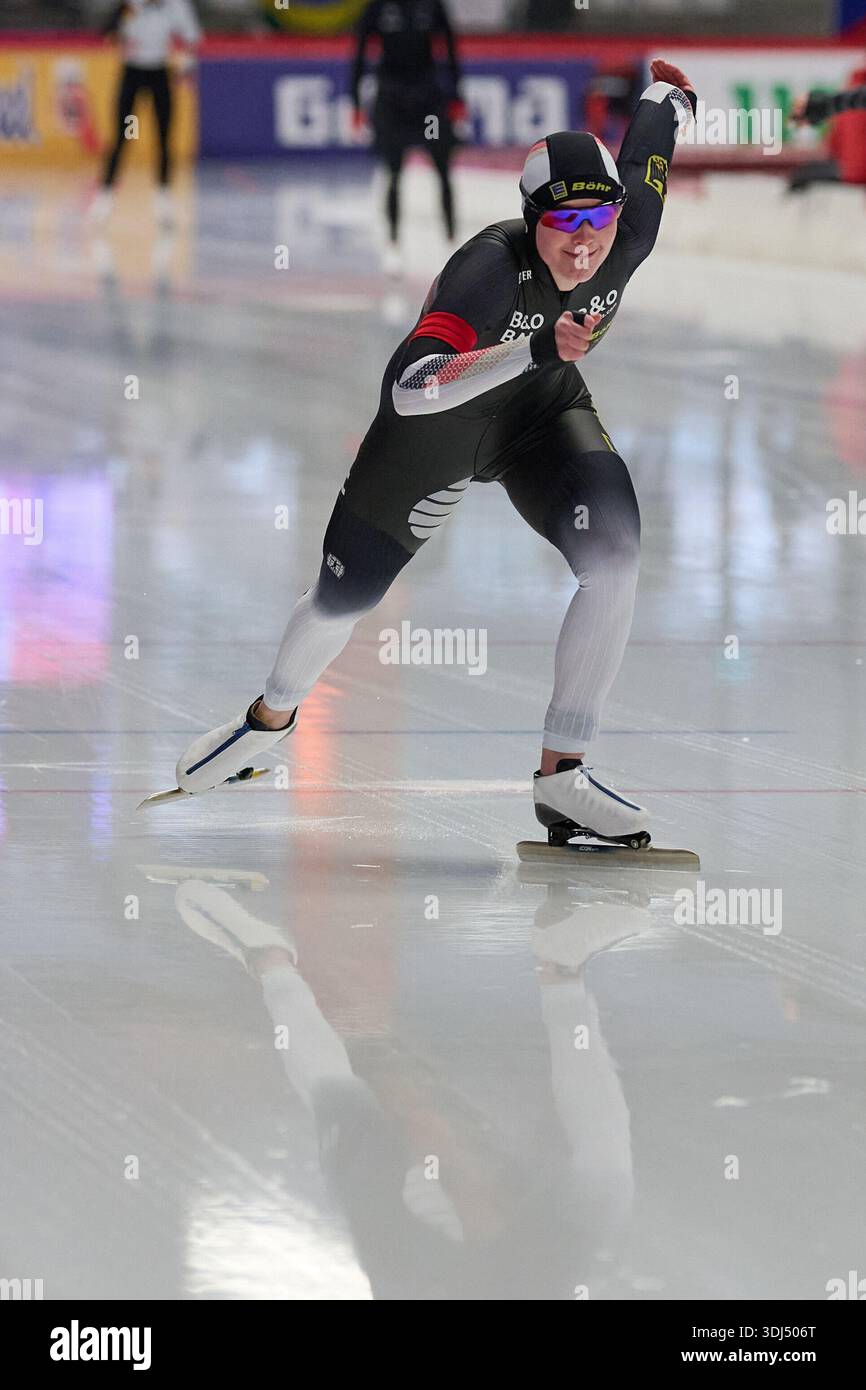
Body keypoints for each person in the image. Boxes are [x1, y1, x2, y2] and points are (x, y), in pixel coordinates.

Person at [174, 60, 697, 852]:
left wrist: (666, 97)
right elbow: (408, 390)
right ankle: (266, 723)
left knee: (617, 556)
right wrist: (529, 354)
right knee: (341, 600)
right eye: (565, 227)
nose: (587, 247)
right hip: (436, 432)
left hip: (541, 418)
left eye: (600, 224)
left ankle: (563, 775)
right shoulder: (487, 271)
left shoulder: (630, 233)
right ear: (531, 221)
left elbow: (647, 152)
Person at [351, 0, 465, 270]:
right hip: (392, 99)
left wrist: (457, 96)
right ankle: (393, 244)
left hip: (428, 102)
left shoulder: (432, 5)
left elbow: (449, 48)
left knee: (442, 168)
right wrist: (355, 103)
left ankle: (451, 241)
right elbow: (359, 53)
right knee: (393, 171)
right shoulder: (378, 7)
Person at [91, 0, 201, 224]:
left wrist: (186, 65)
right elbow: (106, 33)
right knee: (122, 137)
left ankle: (164, 201)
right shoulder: (131, 5)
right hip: (132, 74)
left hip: (159, 75)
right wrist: (125, 14)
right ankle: (104, 199)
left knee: (163, 137)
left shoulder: (176, 6)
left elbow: (192, 37)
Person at [789, 65, 866, 192]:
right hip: (854, 172)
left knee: (801, 174)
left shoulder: (850, 99)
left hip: (850, 171)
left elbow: (833, 146)